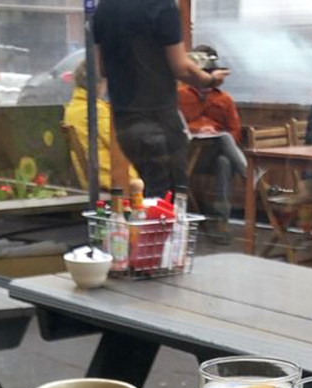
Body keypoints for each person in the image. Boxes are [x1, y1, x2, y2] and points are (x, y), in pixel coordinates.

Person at [93, 0, 229, 198]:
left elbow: (103, 69)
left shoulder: (104, 7)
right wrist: (211, 80)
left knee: (154, 192)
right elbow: (182, 67)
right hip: (158, 119)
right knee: (171, 199)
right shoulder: (162, 5)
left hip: (124, 123)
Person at [177, 43, 247, 242]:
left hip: (214, 155)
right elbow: (176, 125)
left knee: (224, 160)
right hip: (189, 155)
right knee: (224, 141)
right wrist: (199, 129)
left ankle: (221, 223)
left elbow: (235, 130)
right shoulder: (180, 95)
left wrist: (217, 137)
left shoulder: (225, 99)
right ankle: (251, 176)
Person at [63, 59, 138, 192]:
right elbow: (121, 145)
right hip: (113, 181)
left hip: (93, 181)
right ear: (98, 84)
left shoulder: (71, 109)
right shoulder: (96, 110)